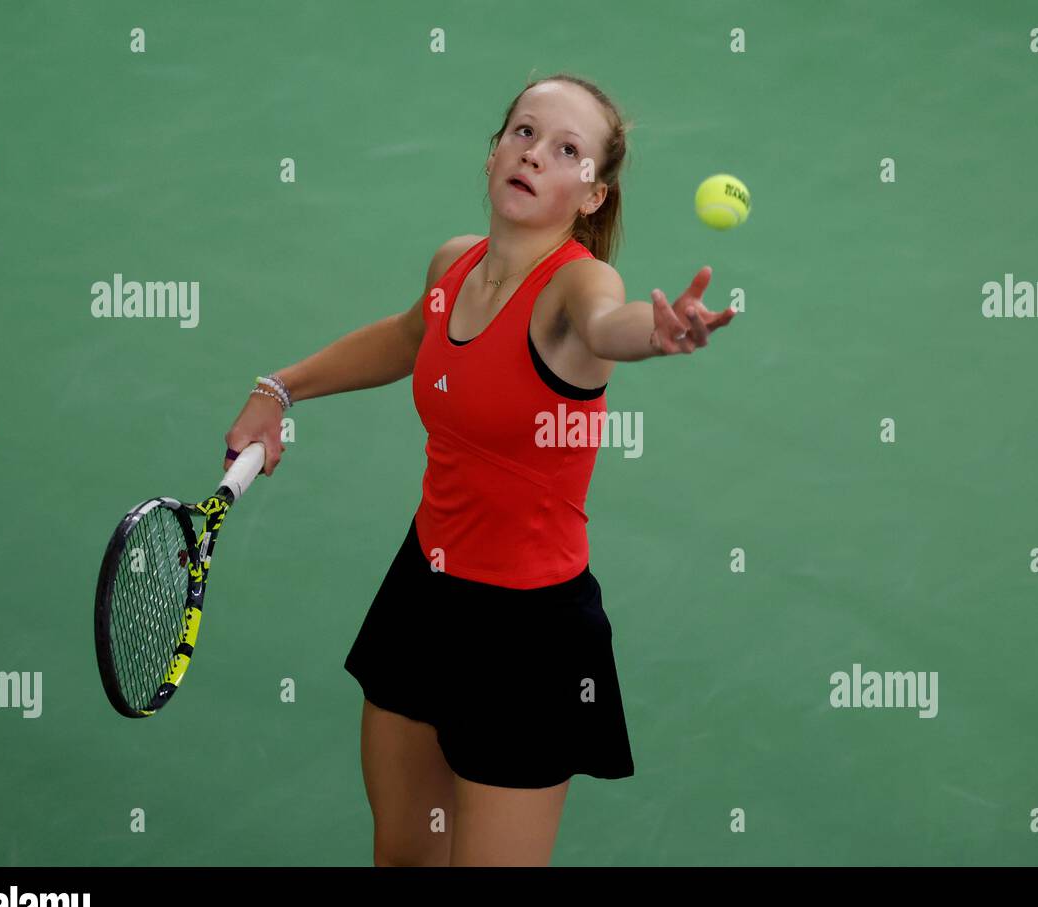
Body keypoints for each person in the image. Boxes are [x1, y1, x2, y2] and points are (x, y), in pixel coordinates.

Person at [222, 72, 736, 866]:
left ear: (592, 194)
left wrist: (658, 334)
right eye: (524, 132)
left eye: (567, 150)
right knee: (401, 855)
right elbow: (404, 340)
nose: (535, 154)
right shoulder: (453, 266)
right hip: (423, 597)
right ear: (495, 149)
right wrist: (278, 388)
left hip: (529, 636)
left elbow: (609, 323)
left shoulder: (577, 286)